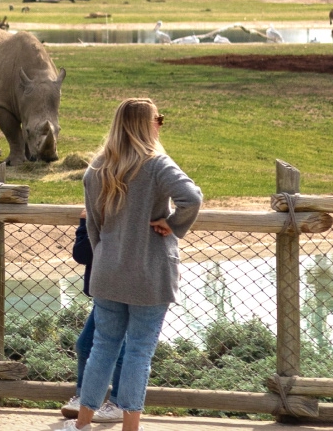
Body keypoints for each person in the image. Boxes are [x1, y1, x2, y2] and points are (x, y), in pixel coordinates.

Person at [66, 99, 202, 431]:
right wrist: (172, 224)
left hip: (108, 272)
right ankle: (131, 427)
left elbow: (94, 228)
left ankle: (82, 425)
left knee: (102, 348)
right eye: (159, 119)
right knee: (139, 351)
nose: (160, 124)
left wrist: (106, 258)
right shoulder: (157, 164)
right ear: (147, 124)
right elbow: (192, 197)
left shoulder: (96, 168)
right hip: (150, 273)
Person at [61, 209, 125, 422]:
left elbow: (82, 253)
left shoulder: (114, 216)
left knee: (119, 350)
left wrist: (85, 223)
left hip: (123, 290)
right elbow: (83, 254)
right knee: (87, 345)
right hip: (106, 291)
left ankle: (116, 403)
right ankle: (85, 398)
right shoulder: (102, 214)